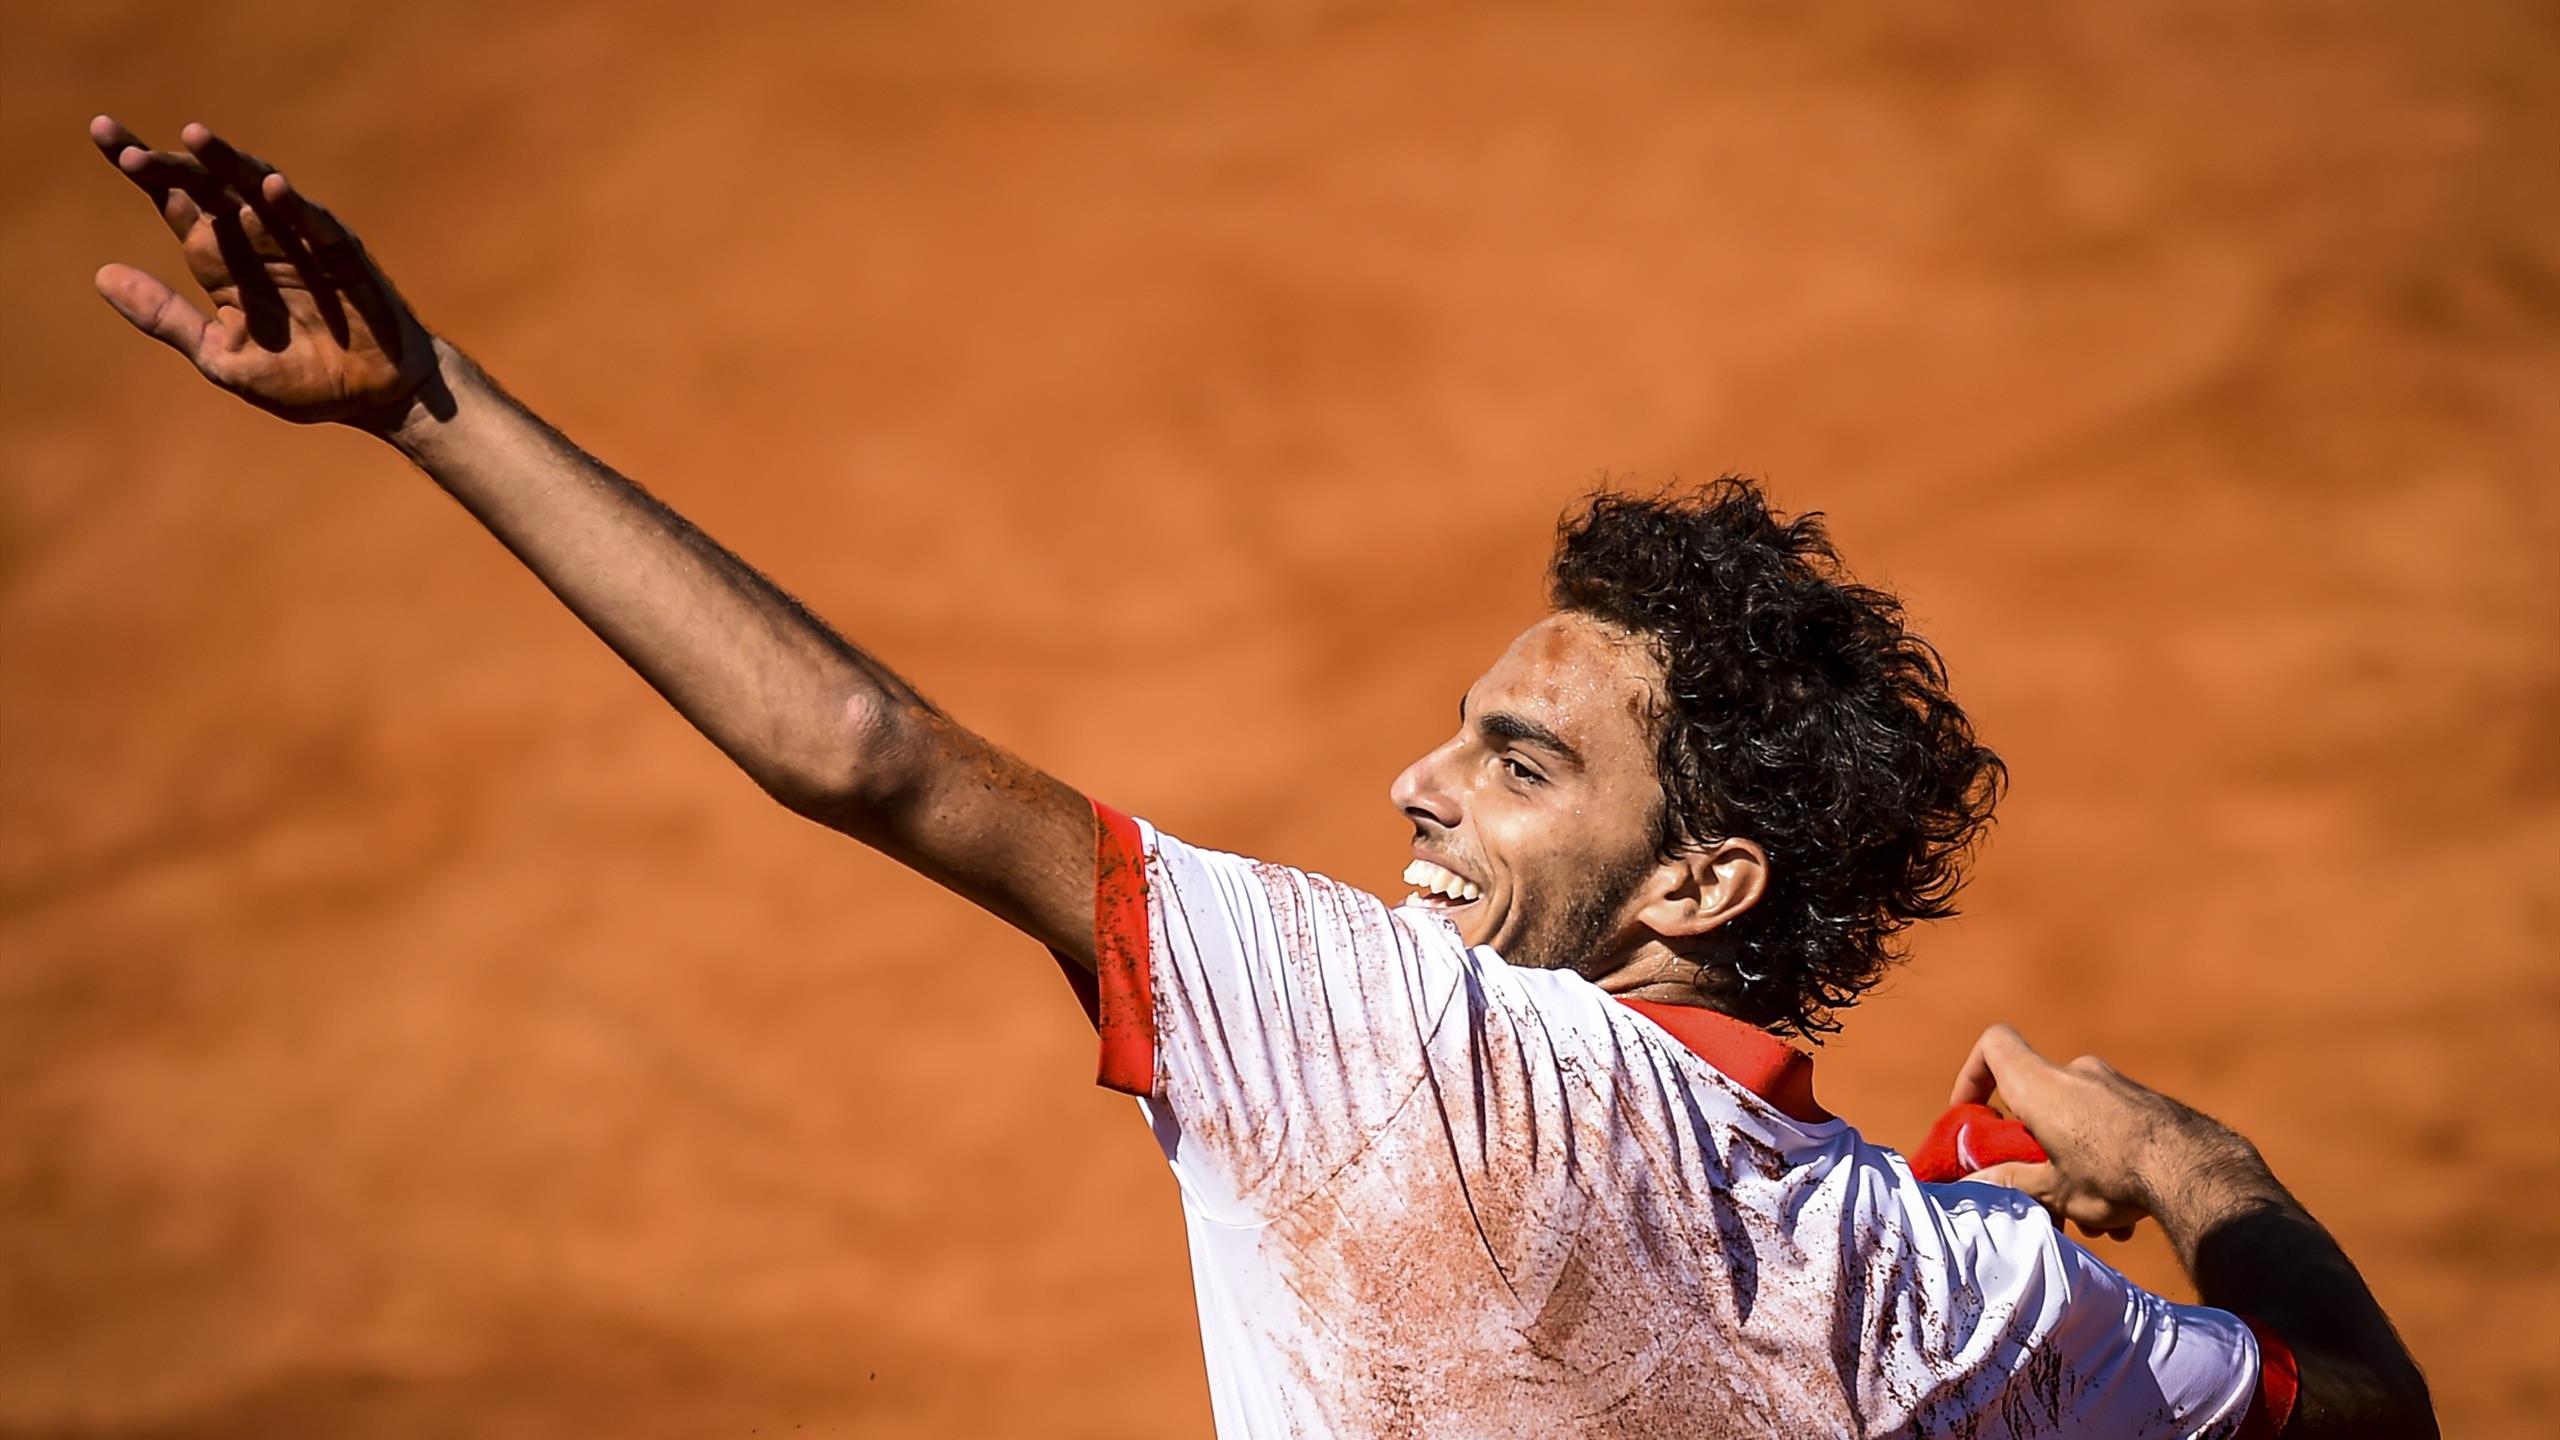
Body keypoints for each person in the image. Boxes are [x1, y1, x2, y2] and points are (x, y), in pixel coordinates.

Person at [86, 116, 2437, 1438]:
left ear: (1696, 881)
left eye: (1515, 761)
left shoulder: (1388, 1043)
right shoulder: (1954, 1301)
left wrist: (432, 406)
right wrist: (2188, 1167)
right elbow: (2359, 1418)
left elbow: (858, 749)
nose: (1415, 784)